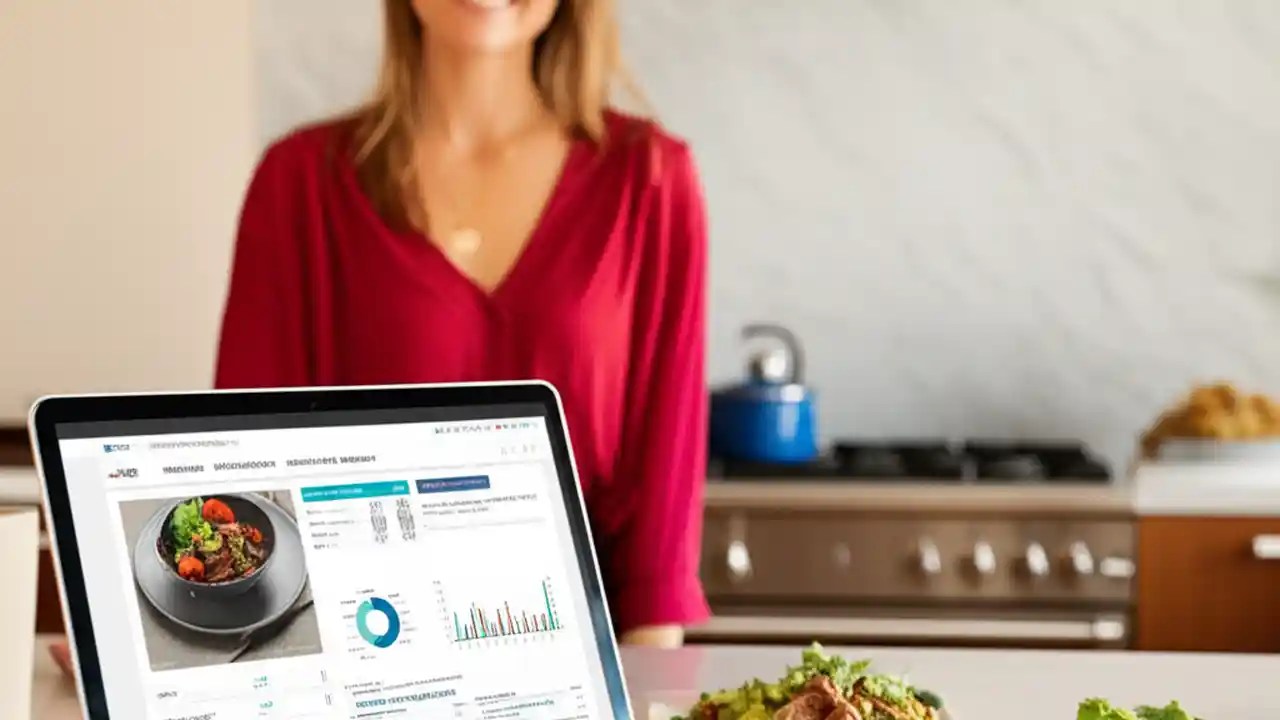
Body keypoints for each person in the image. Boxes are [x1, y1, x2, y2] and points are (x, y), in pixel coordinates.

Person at [214, 0, 709, 647]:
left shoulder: (650, 180)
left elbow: (658, 538)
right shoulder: (299, 184)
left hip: (585, 671)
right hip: (362, 659)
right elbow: (248, 484)